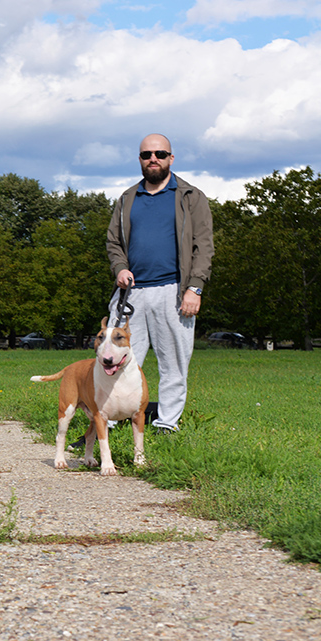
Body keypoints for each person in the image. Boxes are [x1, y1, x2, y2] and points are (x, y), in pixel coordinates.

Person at [105, 133, 214, 433]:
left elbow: (203, 247)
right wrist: (120, 267)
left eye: (160, 154)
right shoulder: (128, 198)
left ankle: (167, 425)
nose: (153, 159)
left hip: (174, 293)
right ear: (139, 159)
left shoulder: (191, 197)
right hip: (132, 293)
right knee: (118, 359)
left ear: (171, 158)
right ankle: (111, 421)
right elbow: (113, 242)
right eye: (146, 155)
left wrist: (195, 287)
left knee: (174, 364)